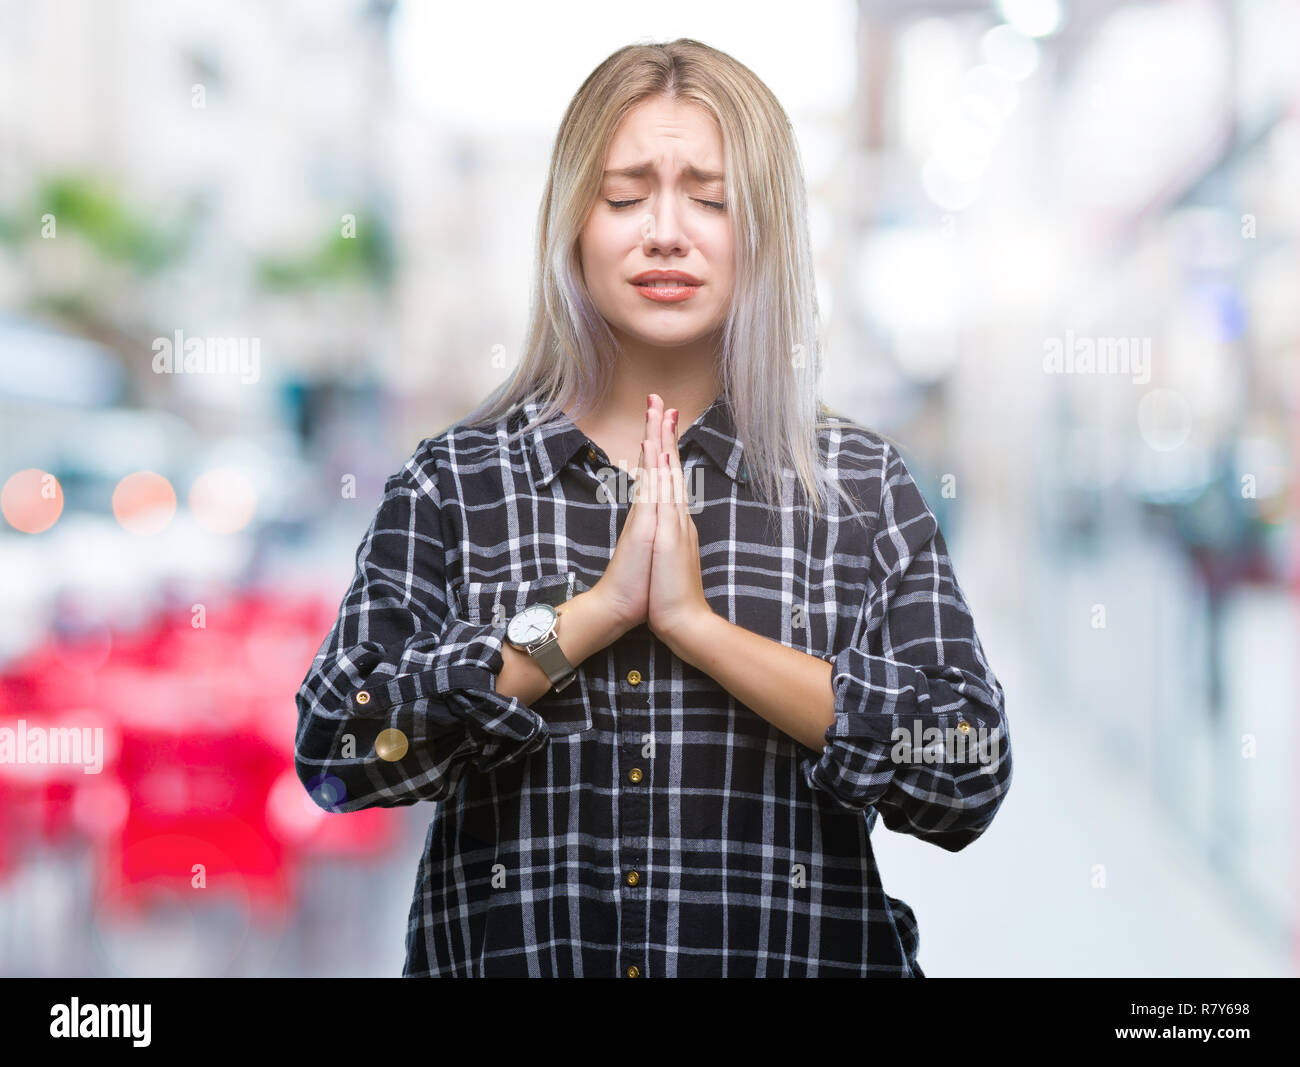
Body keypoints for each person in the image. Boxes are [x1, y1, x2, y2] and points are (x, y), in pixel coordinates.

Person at [294, 38, 1012, 977]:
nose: (664, 232)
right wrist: (586, 620)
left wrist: (700, 629)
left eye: (710, 198)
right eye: (626, 195)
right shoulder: (457, 481)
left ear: (763, 231)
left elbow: (965, 764)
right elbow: (339, 746)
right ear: (573, 224)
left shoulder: (858, 487)